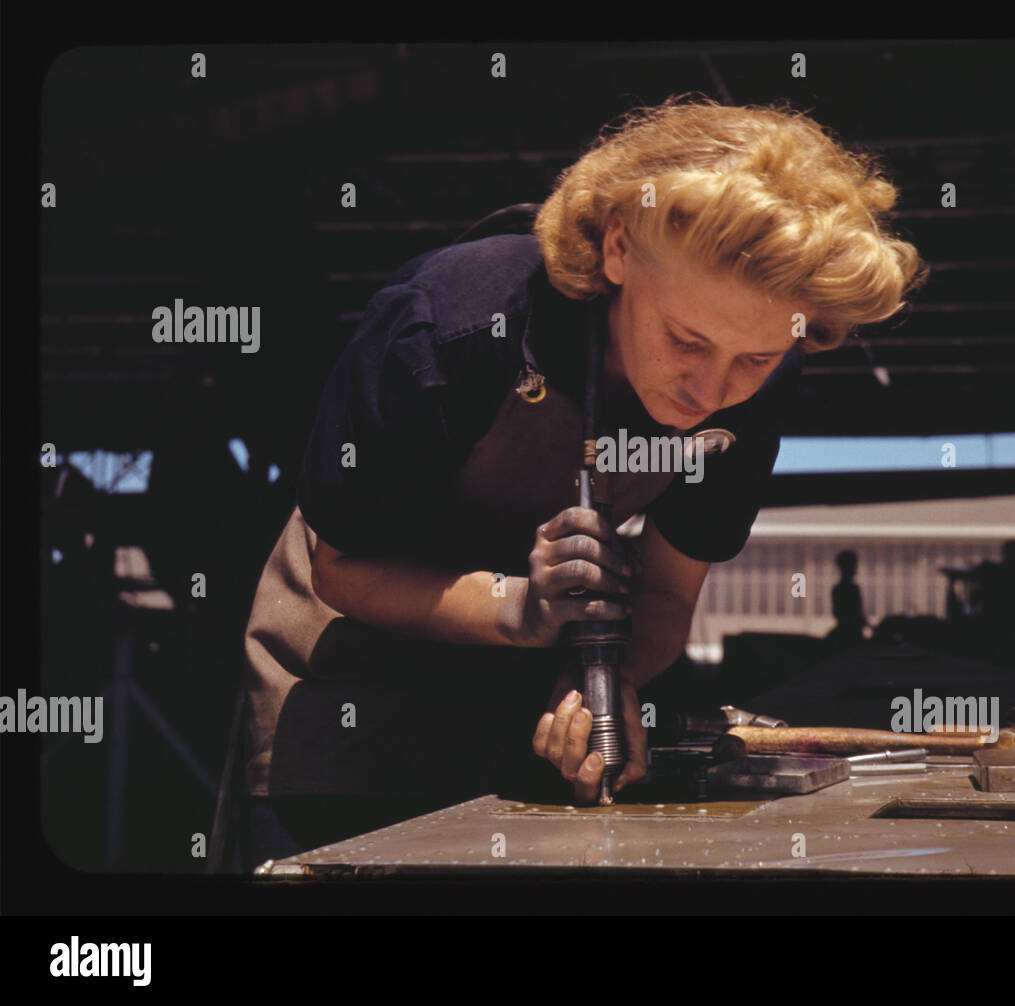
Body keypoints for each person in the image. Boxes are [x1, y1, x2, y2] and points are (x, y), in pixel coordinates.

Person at [209, 94, 926, 871]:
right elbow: (342, 570)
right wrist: (520, 605)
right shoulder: (448, 324)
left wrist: (600, 682)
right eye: (686, 339)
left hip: (526, 703)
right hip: (345, 684)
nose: (711, 390)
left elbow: (667, 594)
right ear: (619, 248)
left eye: (751, 360)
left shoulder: (765, 359)